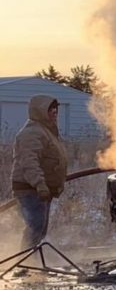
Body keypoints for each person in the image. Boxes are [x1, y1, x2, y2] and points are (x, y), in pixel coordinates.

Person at [10, 95, 68, 249]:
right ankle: (24, 262)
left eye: (56, 110)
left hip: (41, 188)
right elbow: (29, 162)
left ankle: (29, 260)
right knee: (35, 226)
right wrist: (39, 184)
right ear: (40, 111)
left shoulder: (46, 131)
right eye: (51, 109)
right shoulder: (32, 133)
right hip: (30, 188)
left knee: (40, 228)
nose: (55, 112)